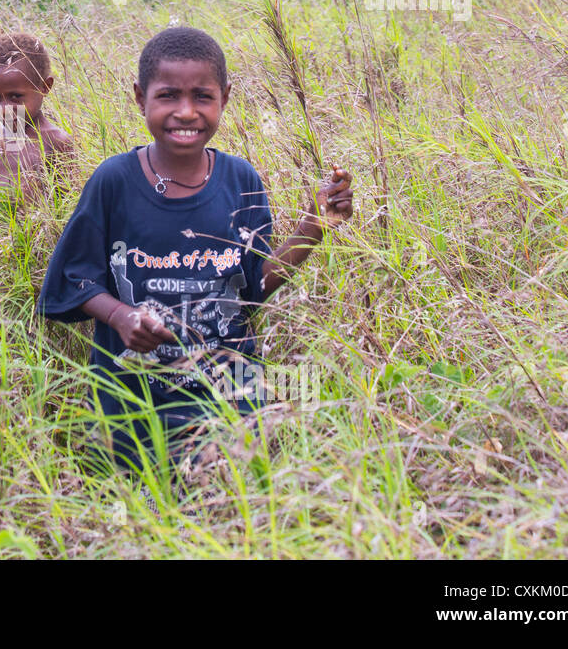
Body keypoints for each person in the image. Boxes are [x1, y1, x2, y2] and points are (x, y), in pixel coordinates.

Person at [37, 27, 354, 470]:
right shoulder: (114, 182)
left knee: (228, 505)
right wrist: (122, 316)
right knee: (139, 509)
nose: (186, 112)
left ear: (224, 97)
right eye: (168, 95)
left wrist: (313, 227)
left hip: (228, 391)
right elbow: (74, 277)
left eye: (202, 97)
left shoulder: (241, 181)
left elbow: (250, 289)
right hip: (133, 392)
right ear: (139, 97)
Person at [0, 33, 75, 197]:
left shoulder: (57, 143)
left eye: (16, 97)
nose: (4, 109)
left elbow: (68, 210)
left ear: (45, 87)